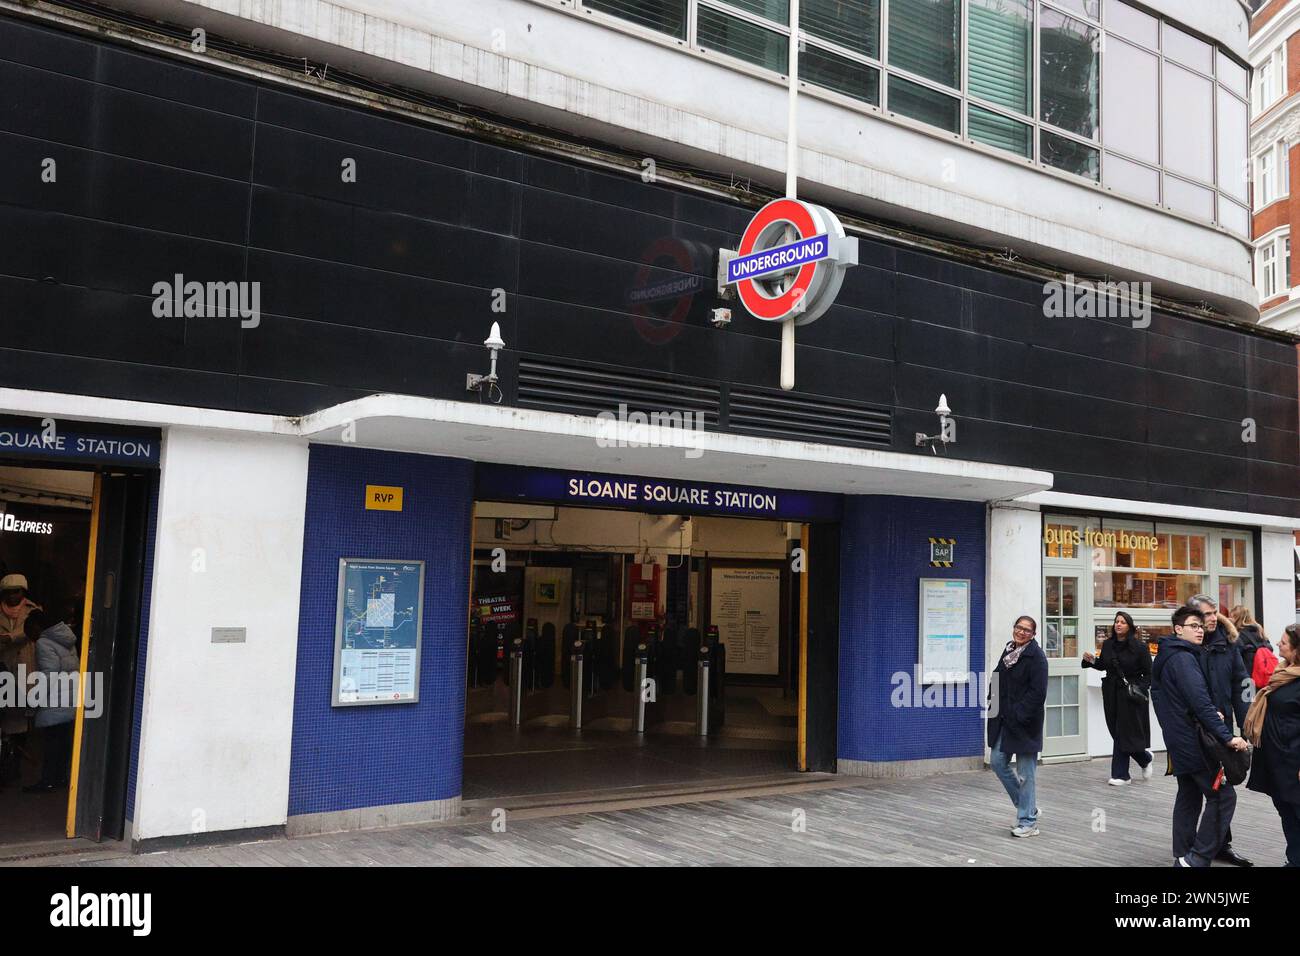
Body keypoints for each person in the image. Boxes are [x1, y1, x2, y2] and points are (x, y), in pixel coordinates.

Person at [1151, 605, 1250, 868]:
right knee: (1223, 796)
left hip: (1179, 740)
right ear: (1178, 629)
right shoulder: (1182, 659)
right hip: (1193, 742)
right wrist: (1228, 737)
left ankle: (1183, 854)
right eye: (1193, 625)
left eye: (1202, 624)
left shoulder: (1170, 654)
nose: (1200, 629)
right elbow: (1200, 704)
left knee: (1189, 793)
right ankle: (1198, 857)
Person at [1188, 594, 1253, 866]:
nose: (1213, 618)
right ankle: (1195, 847)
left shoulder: (1229, 644)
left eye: (1215, 612)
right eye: (1207, 614)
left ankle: (1219, 845)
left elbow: (1243, 685)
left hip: (1223, 730)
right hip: (1196, 731)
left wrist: (1247, 724)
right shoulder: (1189, 647)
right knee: (1200, 791)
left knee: (1221, 785)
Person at [1243, 623, 1300, 867]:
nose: (1277, 644)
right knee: (1285, 809)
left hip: (1293, 758)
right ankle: (1294, 858)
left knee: (1296, 810)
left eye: (1284, 642)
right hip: (1275, 756)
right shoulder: (1282, 673)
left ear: (1297, 650)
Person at [987, 615, 1048, 838]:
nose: (1021, 632)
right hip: (1004, 718)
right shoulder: (1009, 651)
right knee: (997, 762)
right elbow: (997, 677)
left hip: (1024, 723)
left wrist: (1019, 714)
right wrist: (991, 699)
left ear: (1033, 634)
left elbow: (1038, 693)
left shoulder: (1037, 657)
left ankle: (1028, 822)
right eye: (1018, 628)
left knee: (1026, 773)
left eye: (1027, 630)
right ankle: (1027, 807)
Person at [1083, 611, 1153, 786]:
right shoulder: (1108, 645)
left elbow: (1150, 674)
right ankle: (1144, 757)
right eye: (1116, 622)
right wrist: (1091, 661)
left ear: (1129, 626)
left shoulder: (1140, 647)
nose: (1118, 624)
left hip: (1131, 695)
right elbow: (1104, 665)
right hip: (1111, 692)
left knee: (1123, 732)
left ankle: (1121, 775)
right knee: (1115, 730)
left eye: (1122, 622)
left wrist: (1140, 688)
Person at [23, 609, 80, 793]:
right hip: (70, 695)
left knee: (51, 742)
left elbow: (49, 674)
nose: (31, 640)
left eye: (30, 634)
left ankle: (47, 780)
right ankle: (60, 777)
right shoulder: (66, 639)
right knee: (63, 741)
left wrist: (35, 698)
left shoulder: (43, 642)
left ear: (36, 628)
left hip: (55, 698)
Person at [0, 573, 42, 786]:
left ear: (23, 592)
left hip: (25, 666)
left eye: (16, 591)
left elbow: (29, 632)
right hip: (3, 665)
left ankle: (13, 765)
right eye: (8, 592)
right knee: (5, 716)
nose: (12, 595)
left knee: (20, 718)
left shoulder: (34, 610)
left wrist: (8, 637)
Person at [1230, 606, 1274, 687]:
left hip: (1247, 680)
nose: (1229, 619)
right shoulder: (1259, 631)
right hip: (1264, 678)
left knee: (1250, 699)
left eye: (1232, 617)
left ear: (1237, 618)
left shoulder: (1238, 636)